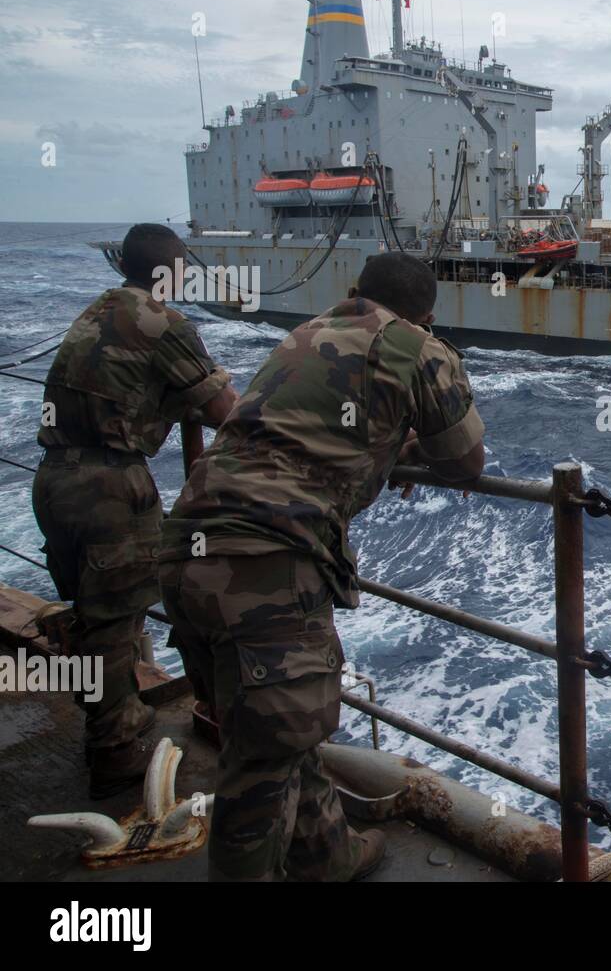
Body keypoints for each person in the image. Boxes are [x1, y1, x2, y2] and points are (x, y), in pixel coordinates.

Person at [158, 252, 485, 882]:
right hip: (261, 564)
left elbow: (301, 431)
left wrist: (386, 449)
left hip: (186, 547)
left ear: (356, 291)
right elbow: (466, 461)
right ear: (426, 314)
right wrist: (410, 446)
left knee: (277, 735)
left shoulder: (304, 333)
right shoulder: (416, 346)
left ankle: (325, 857)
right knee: (257, 771)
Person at [32, 223, 236, 798]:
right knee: (112, 625)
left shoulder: (98, 310)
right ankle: (114, 747)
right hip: (108, 488)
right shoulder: (163, 321)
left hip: (55, 478)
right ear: (173, 271)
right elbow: (223, 409)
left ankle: (112, 719)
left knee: (92, 612)